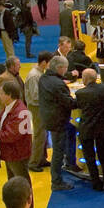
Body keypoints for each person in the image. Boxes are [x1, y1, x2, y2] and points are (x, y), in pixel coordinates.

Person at [75, 68, 104, 191]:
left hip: (86, 128)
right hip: (103, 128)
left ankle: (96, 183)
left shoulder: (80, 93)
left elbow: (76, 105)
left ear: (85, 79)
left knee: (89, 157)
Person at [38, 55, 77, 192]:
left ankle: (70, 163)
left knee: (67, 138)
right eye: (65, 68)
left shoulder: (43, 78)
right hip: (58, 120)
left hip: (49, 118)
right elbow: (69, 103)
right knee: (58, 151)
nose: (66, 70)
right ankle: (57, 181)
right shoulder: (58, 84)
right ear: (60, 68)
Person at [0, 79, 32, 182]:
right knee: (13, 181)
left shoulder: (19, 112)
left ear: (9, 95)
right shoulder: (10, 107)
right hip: (11, 152)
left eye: (1, 93)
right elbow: (3, 118)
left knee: (21, 183)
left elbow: (10, 136)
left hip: (17, 153)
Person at [25, 51, 52, 172]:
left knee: (44, 134)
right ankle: (34, 162)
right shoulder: (34, 76)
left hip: (40, 106)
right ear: (44, 62)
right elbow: (35, 96)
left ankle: (41, 158)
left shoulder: (39, 73)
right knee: (39, 135)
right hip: (36, 107)